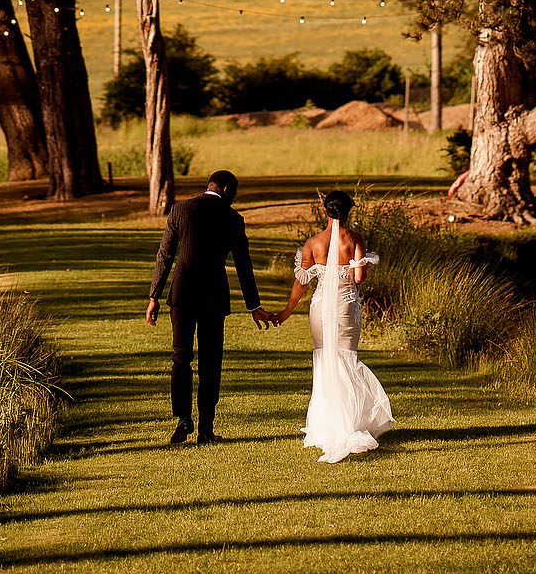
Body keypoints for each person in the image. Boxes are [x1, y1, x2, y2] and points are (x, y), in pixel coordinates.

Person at [146, 169, 272, 444]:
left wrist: (154, 295)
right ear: (227, 189)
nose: (234, 198)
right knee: (210, 363)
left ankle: (183, 417)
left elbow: (165, 255)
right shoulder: (233, 218)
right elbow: (243, 265)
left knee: (181, 356)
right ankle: (205, 428)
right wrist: (254, 305)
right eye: (234, 193)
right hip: (214, 297)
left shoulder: (180, 210)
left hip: (182, 294)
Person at [273, 190, 394, 462]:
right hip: (346, 308)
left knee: (326, 360)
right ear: (349, 210)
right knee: (347, 359)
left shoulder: (313, 242)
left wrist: (286, 311)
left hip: (320, 308)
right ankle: (349, 423)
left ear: (325, 210)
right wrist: (361, 266)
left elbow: (302, 281)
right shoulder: (354, 239)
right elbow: (358, 278)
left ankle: (326, 424)